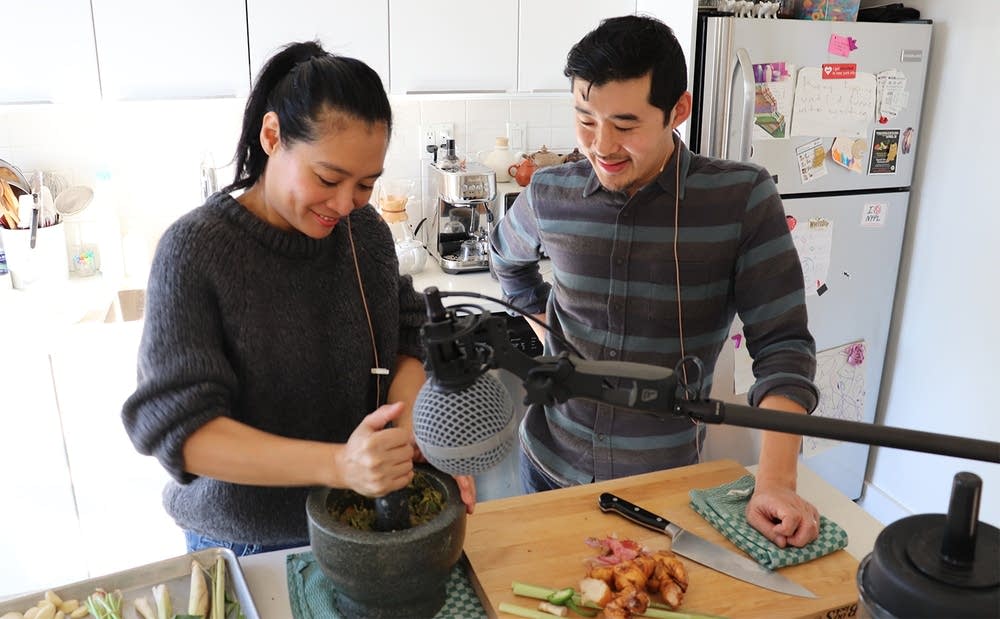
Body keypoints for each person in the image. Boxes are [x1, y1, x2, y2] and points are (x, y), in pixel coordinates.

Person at [122, 41, 474, 556]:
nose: (345, 204)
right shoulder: (197, 250)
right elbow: (182, 432)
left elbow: (407, 341)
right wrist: (341, 464)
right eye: (328, 178)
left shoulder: (365, 233)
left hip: (360, 523)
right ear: (272, 136)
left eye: (366, 184)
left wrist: (407, 434)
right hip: (245, 542)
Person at [489, 15, 821, 548]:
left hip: (662, 484)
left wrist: (777, 481)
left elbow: (783, 347)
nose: (601, 146)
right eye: (585, 119)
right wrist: (544, 320)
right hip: (548, 469)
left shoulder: (741, 200)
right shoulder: (550, 193)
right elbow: (506, 260)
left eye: (625, 125)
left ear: (678, 111)